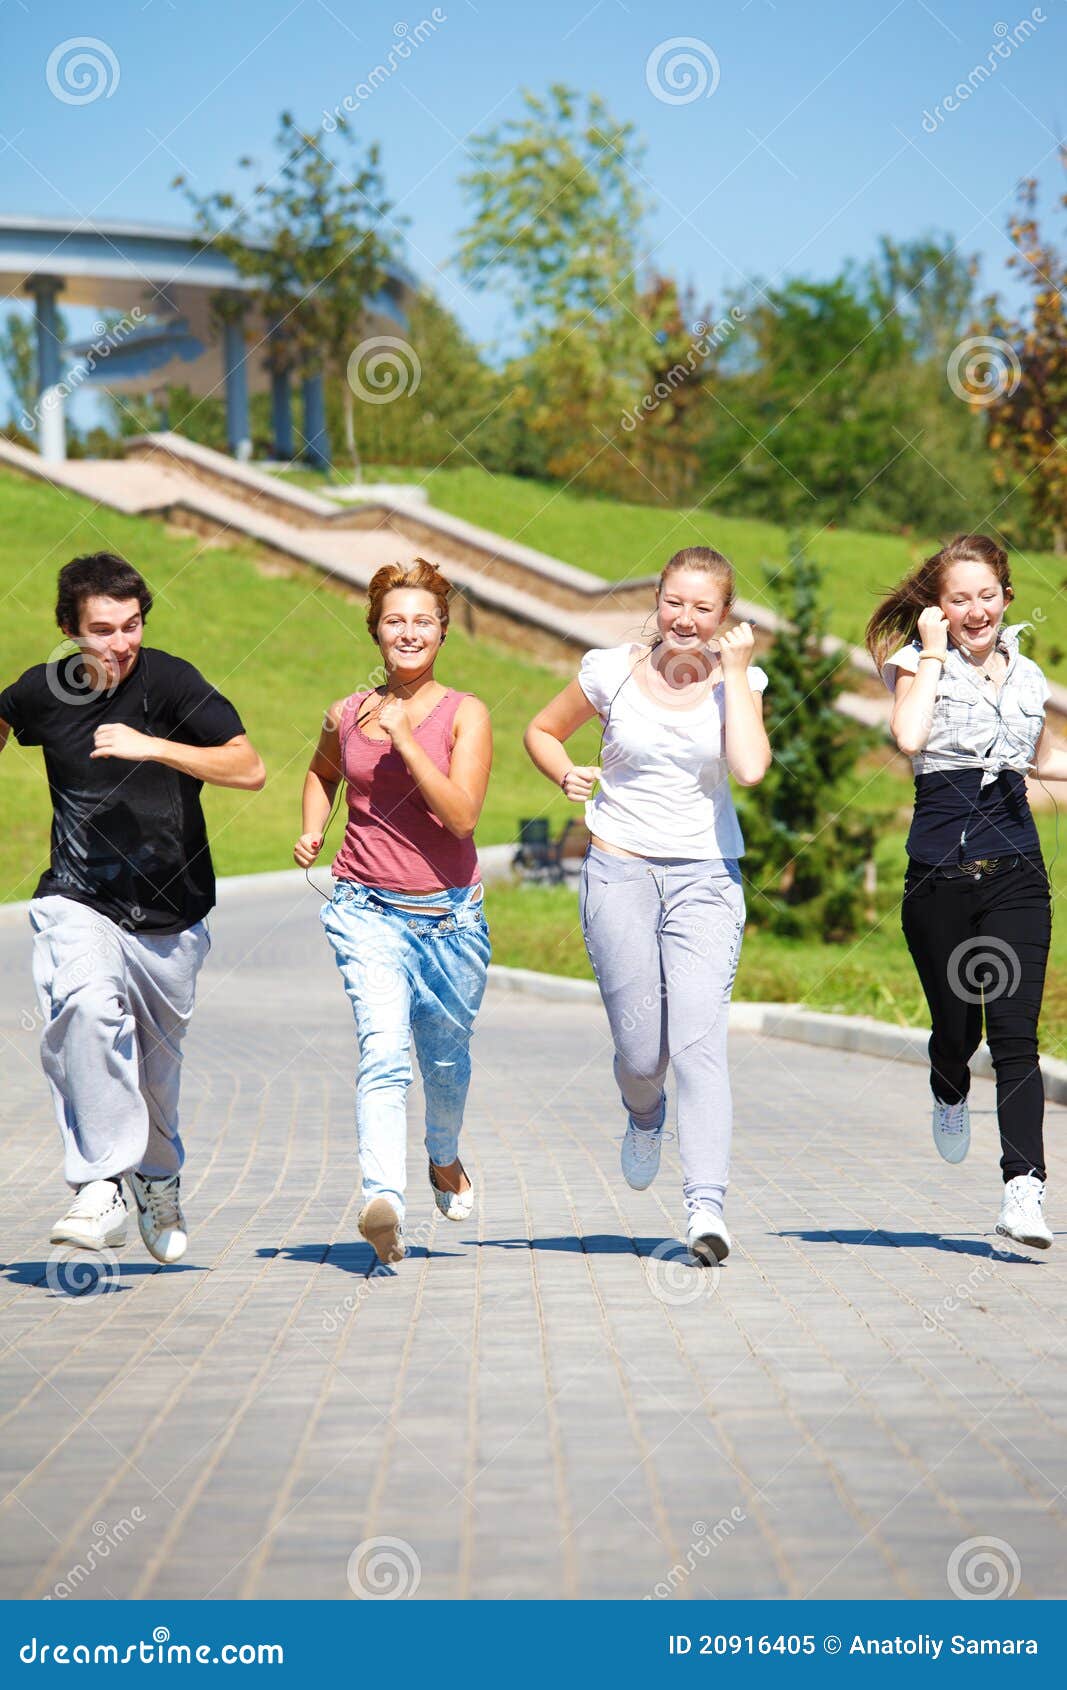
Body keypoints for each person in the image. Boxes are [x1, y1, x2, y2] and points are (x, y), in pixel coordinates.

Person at [0, 551, 265, 1262]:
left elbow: (249, 768)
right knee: (83, 1009)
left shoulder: (170, 681)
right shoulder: (43, 692)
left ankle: (157, 1178)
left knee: (153, 1080)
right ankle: (98, 1186)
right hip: (78, 899)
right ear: (67, 629)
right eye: (103, 629)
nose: (121, 643)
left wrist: (154, 746)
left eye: (132, 625)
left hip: (171, 919)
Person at [523, 546, 771, 1264]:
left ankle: (705, 1209)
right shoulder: (610, 670)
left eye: (703, 608)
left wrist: (733, 675)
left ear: (725, 618)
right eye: (674, 602)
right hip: (619, 872)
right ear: (656, 600)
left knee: (697, 1043)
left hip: (705, 879)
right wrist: (564, 770)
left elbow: (750, 768)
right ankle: (642, 1112)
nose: (685, 619)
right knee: (642, 1052)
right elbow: (541, 731)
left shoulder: (739, 681)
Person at [867, 533, 1067, 1250]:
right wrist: (926, 647)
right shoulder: (912, 664)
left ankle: (1023, 1190)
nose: (975, 610)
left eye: (987, 596)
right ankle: (946, 1080)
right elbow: (910, 735)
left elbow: (1041, 758)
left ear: (1007, 598)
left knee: (1016, 1036)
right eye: (958, 599)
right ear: (937, 606)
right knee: (960, 1030)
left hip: (1015, 870)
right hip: (937, 877)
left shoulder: (1028, 672)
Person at [295, 559, 493, 1267]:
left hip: (450, 920)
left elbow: (462, 817)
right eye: (393, 621)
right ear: (375, 631)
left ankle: (443, 1156)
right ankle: (384, 1200)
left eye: (422, 621)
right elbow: (321, 773)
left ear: (441, 631)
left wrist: (406, 735)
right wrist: (314, 827)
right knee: (382, 1053)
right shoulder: (344, 714)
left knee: (445, 1061)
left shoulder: (466, 713)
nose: (407, 632)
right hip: (364, 908)